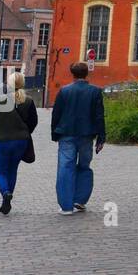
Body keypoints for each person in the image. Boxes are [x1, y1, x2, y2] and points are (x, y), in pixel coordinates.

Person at [50, 61, 106, 215]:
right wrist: (101, 138)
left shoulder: (64, 91)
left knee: (65, 168)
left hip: (66, 134)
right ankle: (80, 200)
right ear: (86, 73)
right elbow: (99, 116)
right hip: (86, 136)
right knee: (84, 167)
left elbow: (57, 113)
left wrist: (54, 133)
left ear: (72, 73)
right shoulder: (95, 91)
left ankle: (66, 206)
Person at [0, 72, 38, 216]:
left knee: (0, 172)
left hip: (2, 140)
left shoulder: (1, 100)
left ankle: (5, 193)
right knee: (12, 170)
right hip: (21, 142)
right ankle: (6, 200)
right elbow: (33, 122)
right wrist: (25, 133)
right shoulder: (28, 101)